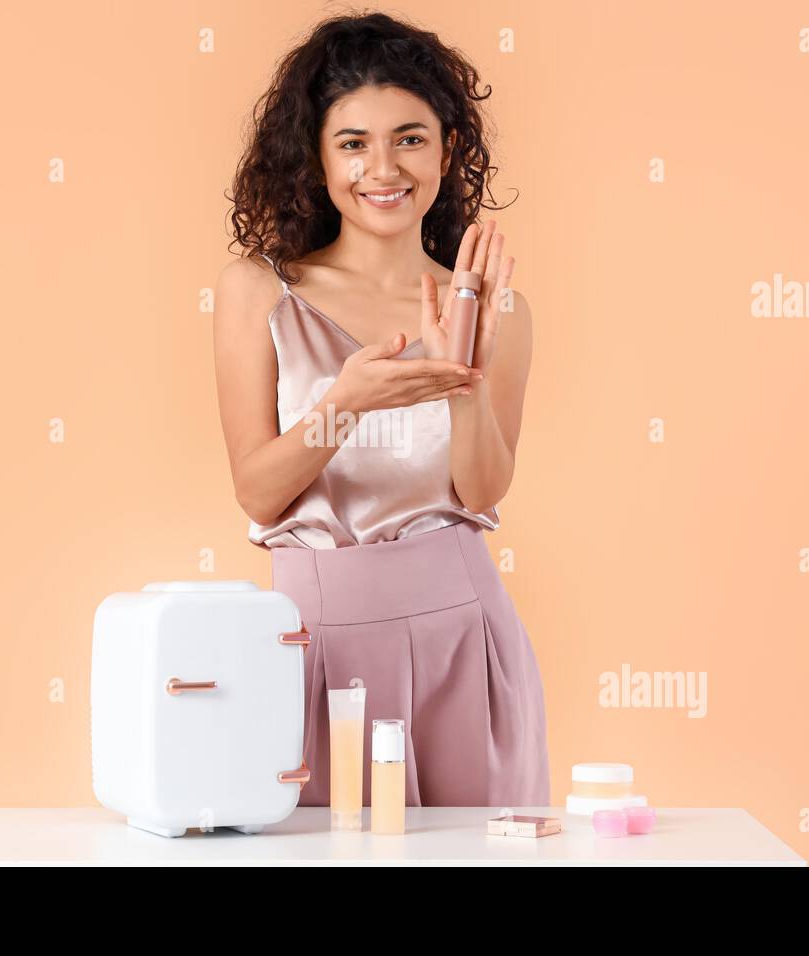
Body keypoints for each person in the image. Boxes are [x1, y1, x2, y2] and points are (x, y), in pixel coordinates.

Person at [213, 11, 549, 808]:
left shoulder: (497, 307)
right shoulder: (258, 292)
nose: (383, 167)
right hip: (313, 643)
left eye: (410, 137)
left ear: (446, 149)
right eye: (353, 143)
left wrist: (465, 376)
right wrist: (346, 403)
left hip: (465, 637)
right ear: (318, 160)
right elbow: (259, 492)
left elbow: (482, 493)